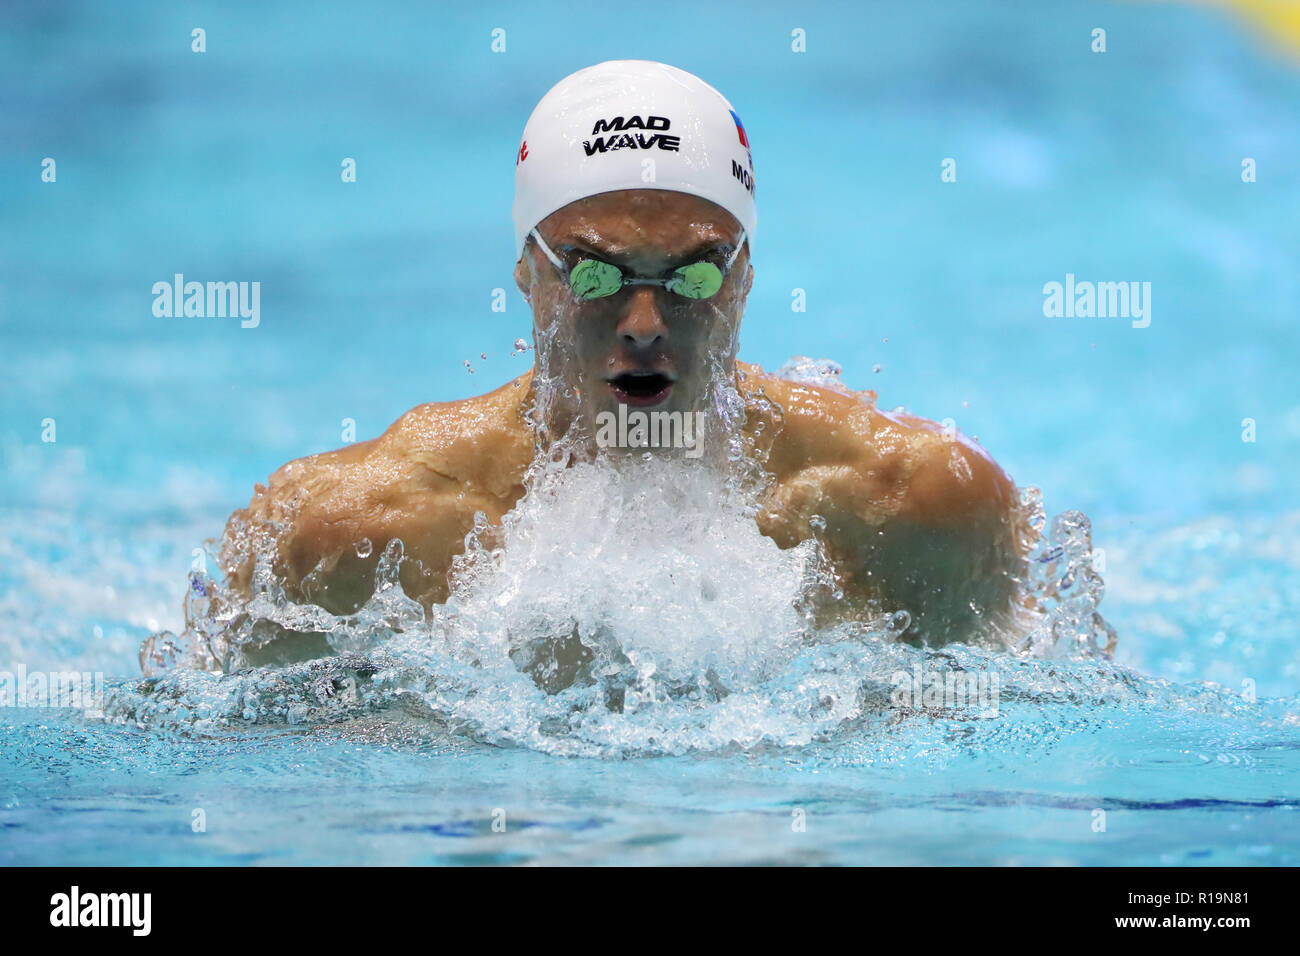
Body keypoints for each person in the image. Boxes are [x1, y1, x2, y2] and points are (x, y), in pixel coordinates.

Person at [217, 60, 1028, 665]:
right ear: (527, 273)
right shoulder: (349, 538)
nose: (645, 324)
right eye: (593, 274)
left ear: (745, 276)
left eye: (694, 275)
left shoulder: (914, 511)